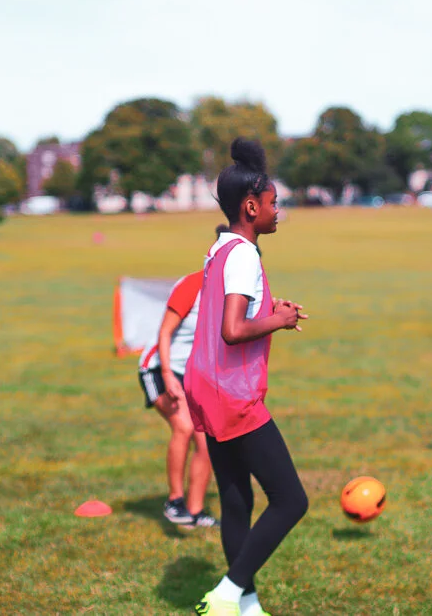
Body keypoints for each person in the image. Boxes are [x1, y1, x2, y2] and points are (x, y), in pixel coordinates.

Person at [184, 138, 309, 616]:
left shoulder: (219, 250)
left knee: (237, 501)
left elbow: (229, 313)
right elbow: (233, 329)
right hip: (233, 395)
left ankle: (245, 605)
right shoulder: (243, 256)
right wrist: (276, 320)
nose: (280, 212)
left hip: (206, 388)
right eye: (275, 203)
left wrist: (271, 310)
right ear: (251, 206)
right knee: (290, 500)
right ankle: (226, 593)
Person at [136, 228, 228, 530]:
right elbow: (164, 332)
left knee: (209, 443)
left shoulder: (234, 294)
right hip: (159, 367)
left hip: (194, 374)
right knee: (185, 427)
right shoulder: (192, 285)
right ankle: (174, 502)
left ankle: (195, 510)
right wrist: (167, 374)